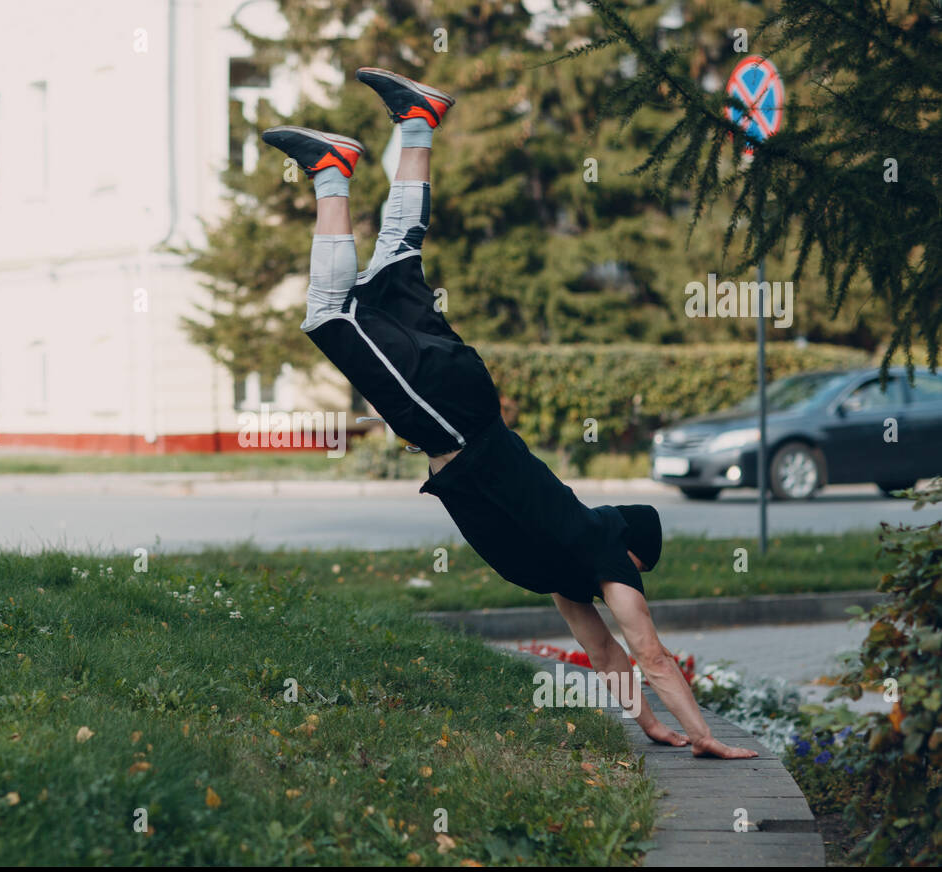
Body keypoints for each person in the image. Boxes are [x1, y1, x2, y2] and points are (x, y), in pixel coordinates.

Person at [262, 67, 756, 759]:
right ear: (635, 552)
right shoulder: (605, 553)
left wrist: (652, 727)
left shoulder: (566, 569)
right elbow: (648, 652)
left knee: (392, 268)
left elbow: (609, 660)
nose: (632, 591)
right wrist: (707, 737)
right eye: (638, 574)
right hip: (451, 424)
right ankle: (332, 173)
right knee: (328, 315)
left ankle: (417, 123)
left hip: (462, 403)